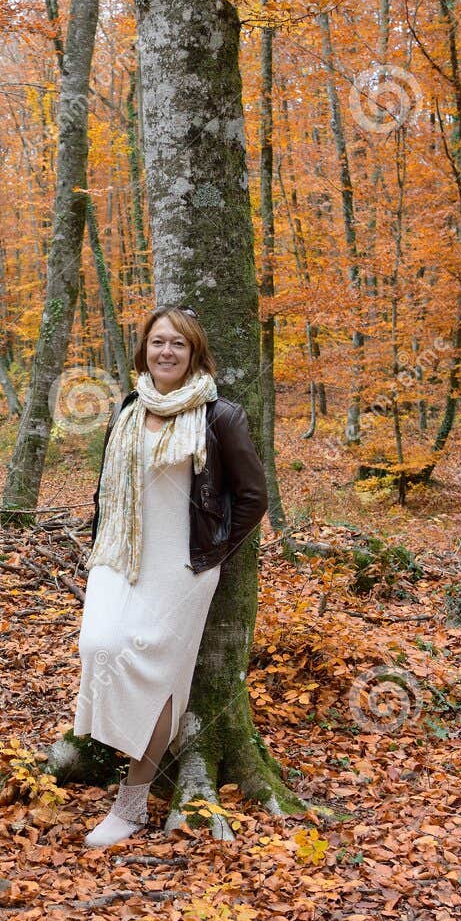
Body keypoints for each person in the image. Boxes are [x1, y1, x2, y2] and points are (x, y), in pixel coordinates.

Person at [75, 305, 268, 847]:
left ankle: (131, 803)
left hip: (182, 568)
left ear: (194, 354)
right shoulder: (130, 409)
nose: (166, 352)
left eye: (178, 345)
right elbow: (107, 487)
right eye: (158, 342)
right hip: (119, 557)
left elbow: (253, 497)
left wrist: (212, 554)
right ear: (145, 350)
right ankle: (113, 753)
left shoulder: (218, 416)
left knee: (156, 676)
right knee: (99, 646)